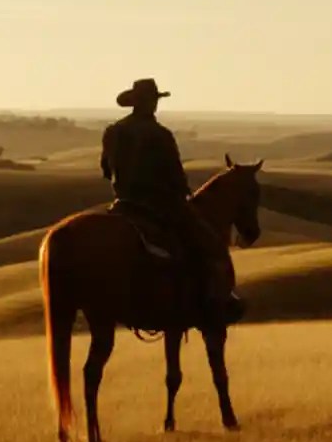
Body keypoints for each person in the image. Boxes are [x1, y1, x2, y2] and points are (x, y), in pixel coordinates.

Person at [99, 79, 244, 326]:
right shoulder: (160, 134)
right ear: (150, 102)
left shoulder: (113, 131)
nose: (154, 104)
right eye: (153, 100)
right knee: (206, 241)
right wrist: (181, 191)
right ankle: (215, 300)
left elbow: (105, 169)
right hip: (158, 203)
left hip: (123, 203)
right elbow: (174, 172)